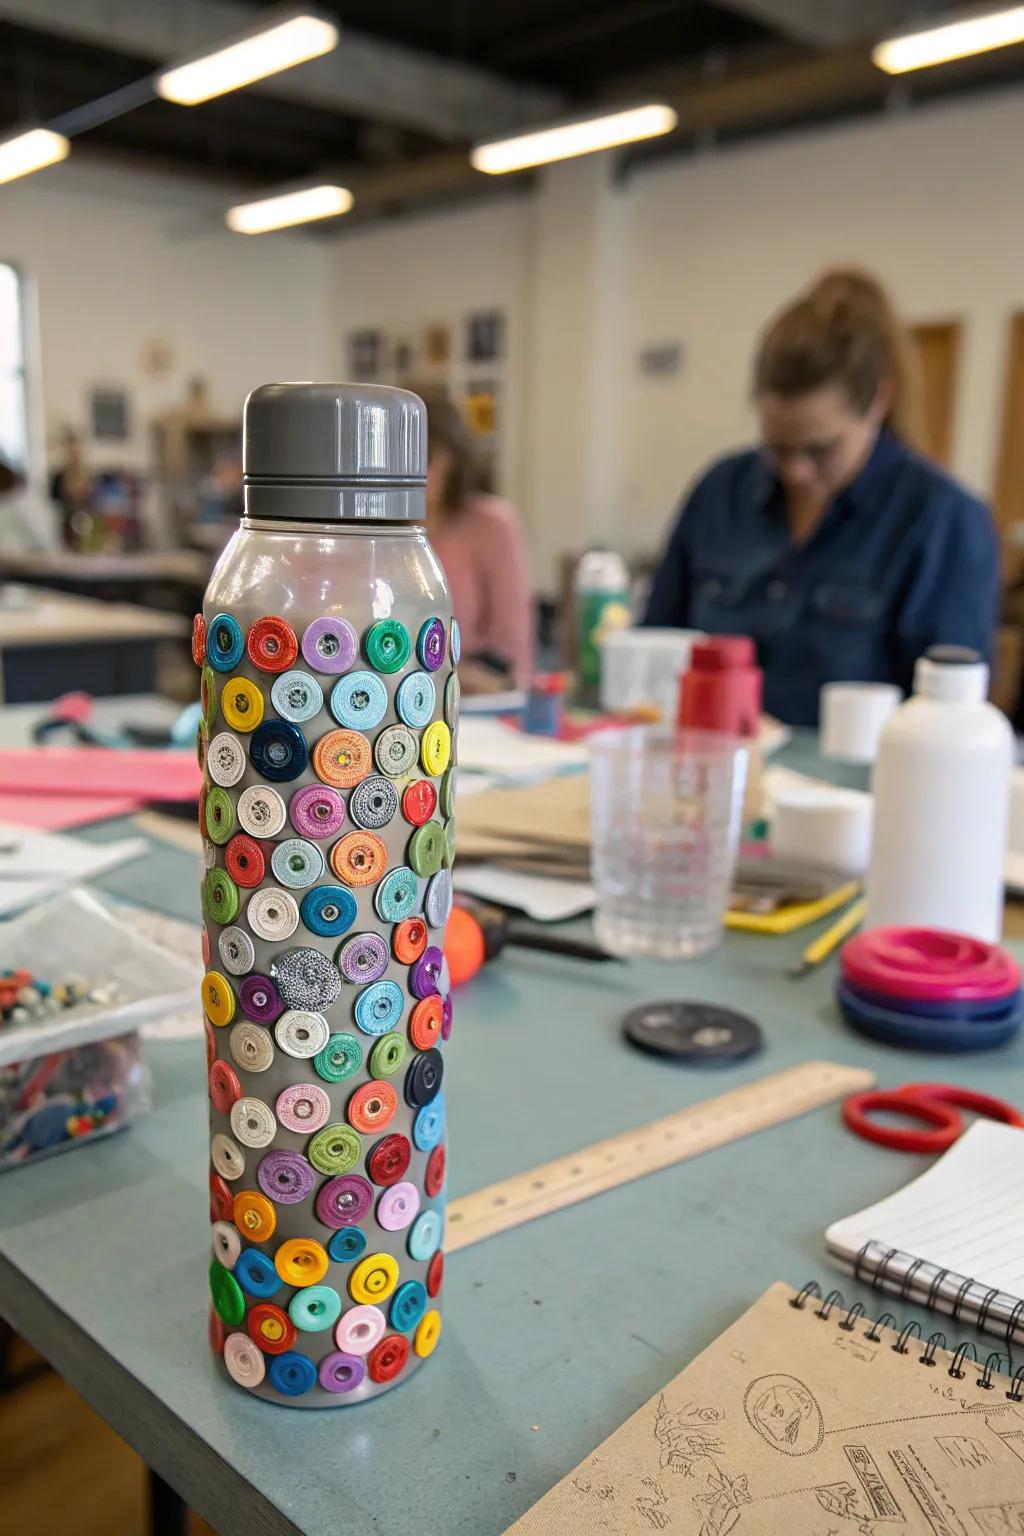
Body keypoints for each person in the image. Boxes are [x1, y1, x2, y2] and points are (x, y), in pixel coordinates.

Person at [643, 268, 999, 725]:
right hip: (714, 774)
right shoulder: (719, 493)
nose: (797, 471)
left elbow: (949, 716)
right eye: (778, 447)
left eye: (821, 450)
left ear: (878, 402)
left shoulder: (942, 521)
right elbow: (655, 646)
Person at [419, 387, 533, 693]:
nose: (410, 471)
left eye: (424, 457)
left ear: (452, 458)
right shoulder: (367, 533)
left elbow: (511, 668)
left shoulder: (492, 525)